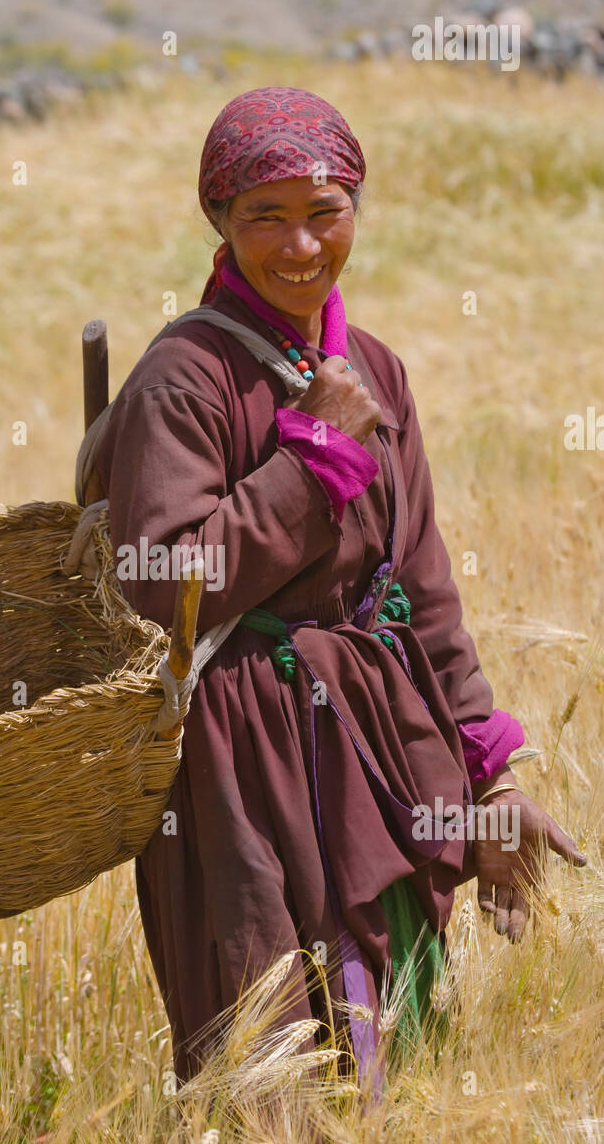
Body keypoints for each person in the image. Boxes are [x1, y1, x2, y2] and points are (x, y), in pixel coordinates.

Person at [89, 86, 585, 1089]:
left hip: (370, 740)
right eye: (262, 215)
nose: (298, 244)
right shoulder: (180, 379)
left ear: (355, 210)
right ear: (220, 224)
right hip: (238, 752)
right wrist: (308, 460)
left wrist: (488, 780)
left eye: (322, 211)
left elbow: (420, 587)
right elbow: (164, 581)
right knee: (266, 1031)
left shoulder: (373, 371)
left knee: (389, 1025)